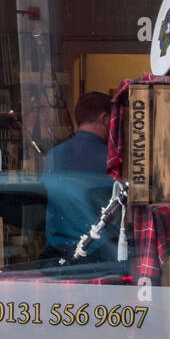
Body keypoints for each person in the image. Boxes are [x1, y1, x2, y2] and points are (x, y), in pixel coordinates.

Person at [41, 91, 119, 264]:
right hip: (97, 255)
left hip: (56, 254)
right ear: (105, 119)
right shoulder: (112, 159)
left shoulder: (54, 155)